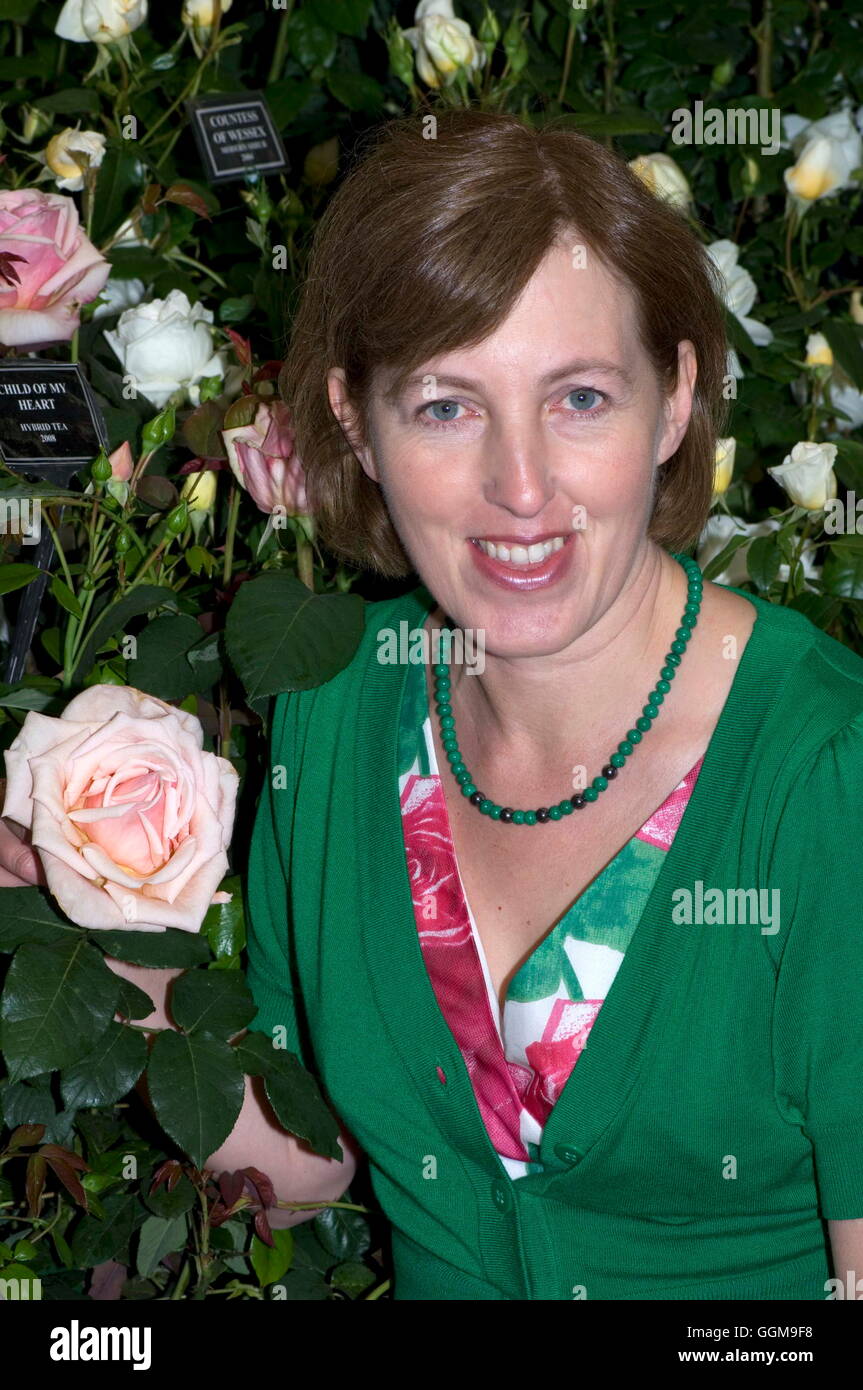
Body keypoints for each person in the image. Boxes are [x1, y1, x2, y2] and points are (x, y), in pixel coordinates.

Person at [3, 108, 863, 1301]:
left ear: (673, 400)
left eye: (578, 399)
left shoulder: (823, 773)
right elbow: (307, 1169)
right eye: (446, 407)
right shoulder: (338, 709)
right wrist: (92, 939)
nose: (518, 488)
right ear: (354, 421)